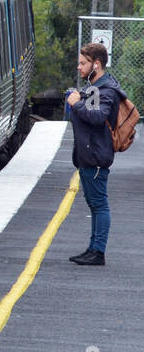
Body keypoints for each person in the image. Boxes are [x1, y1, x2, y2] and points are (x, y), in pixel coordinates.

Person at [65, 42, 121, 266]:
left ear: (96, 65)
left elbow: (97, 117)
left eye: (83, 63)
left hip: (96, 156)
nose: (79, 67)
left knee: (99, 204)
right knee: (94, 203)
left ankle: (98, 251)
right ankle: (93, 248)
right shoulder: (97, 87)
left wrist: (76, 104)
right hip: (90, 155)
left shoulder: (104, 89)